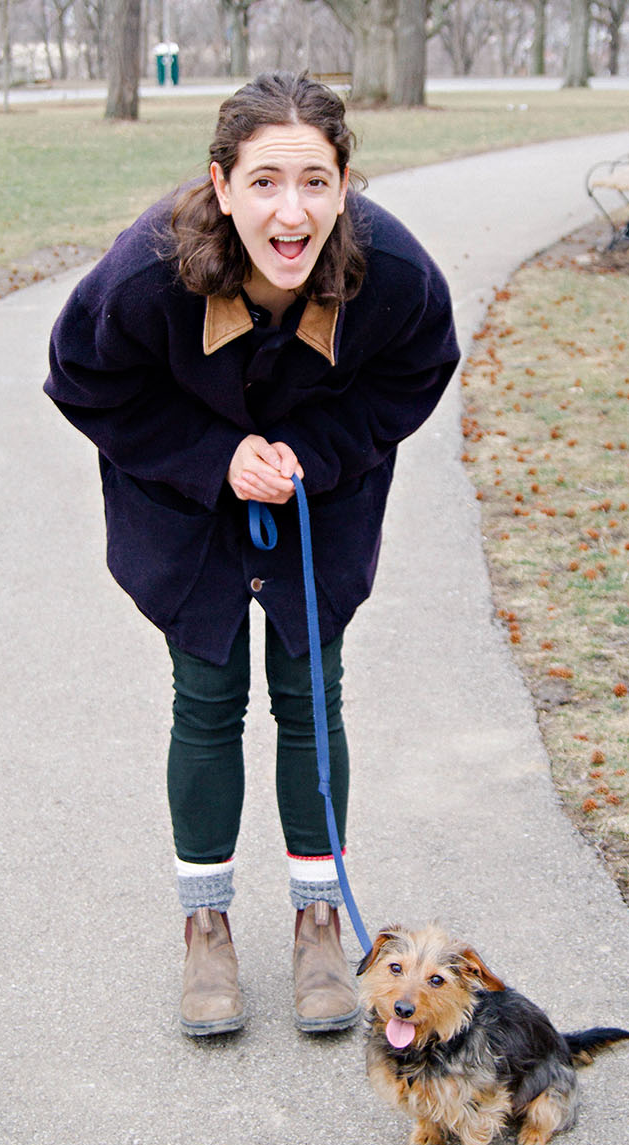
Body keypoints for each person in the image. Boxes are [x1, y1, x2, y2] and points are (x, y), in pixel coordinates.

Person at [44, 70, 459, 1038]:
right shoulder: (147, 271)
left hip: (322, 498)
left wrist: (312, 455)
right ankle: (207, 922)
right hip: (181, 501)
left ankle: (319, 916)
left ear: (347, 181)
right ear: (221, 184)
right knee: (207, 695)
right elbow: (83, 379)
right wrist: (212, 456)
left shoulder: (392, 270)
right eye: (265, 181)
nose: (291, 208)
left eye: (315, 181)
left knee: (312, 690)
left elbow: (415, 373)